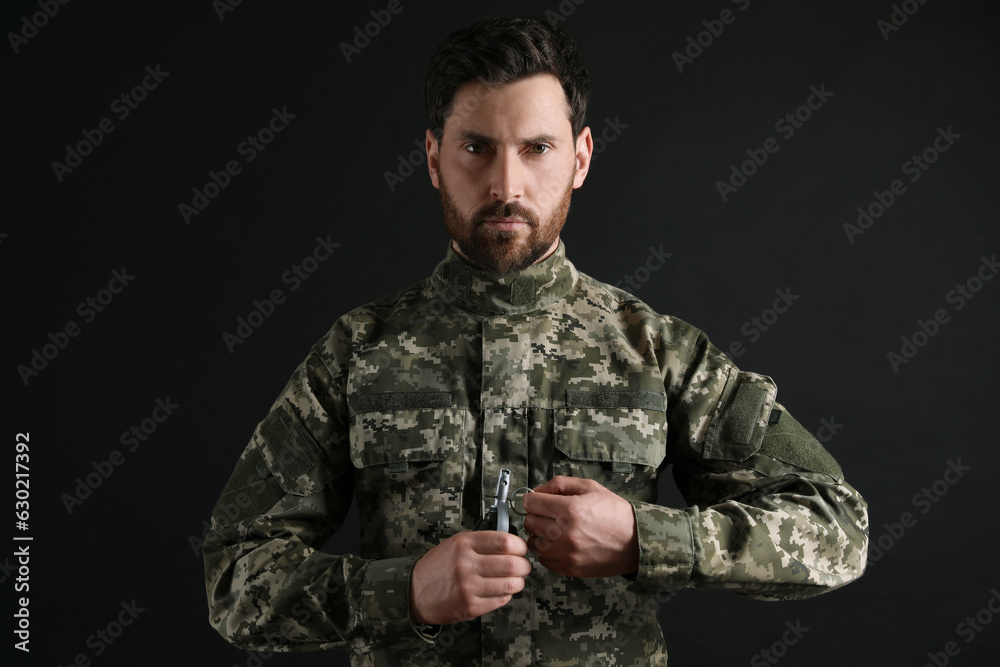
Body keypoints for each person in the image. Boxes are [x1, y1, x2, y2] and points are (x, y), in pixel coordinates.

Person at [202, 16, 868, 666]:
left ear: (579, 158)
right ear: (434, 158)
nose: (505, 186)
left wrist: (646, 538)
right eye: (477, 147)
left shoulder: (658, 352)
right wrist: (403, 590)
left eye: (536, 148)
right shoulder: (356, 352)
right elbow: (234, 577)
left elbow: (838, 527)